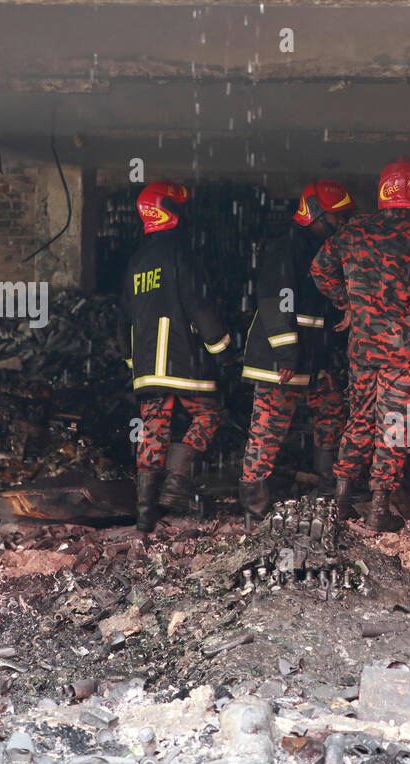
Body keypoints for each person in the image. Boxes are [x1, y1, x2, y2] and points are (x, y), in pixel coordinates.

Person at [310, 157, 410, 533]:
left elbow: (319, 269)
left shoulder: (353, 231)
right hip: (402, 352)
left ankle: (340, 500)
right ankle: (377, 510)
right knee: (394, 427)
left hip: (362, 349)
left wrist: (347, 303)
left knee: (358, 418)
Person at [238, 179, 353, 527]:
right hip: (281, 364)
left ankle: (331, 490)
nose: (341, 223)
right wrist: (287, 356)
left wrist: (323, 363)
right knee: (267, 431)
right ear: (316, 213)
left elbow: (316, 318)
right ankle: (254, 514)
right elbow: (275, 304)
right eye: (337, 216)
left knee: (332, 411)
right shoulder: (287, 248)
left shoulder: (316, 250)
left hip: (309, 365)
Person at [121, 180, 231, 532]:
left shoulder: (136, 261)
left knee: (152, 431)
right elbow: (198, 305)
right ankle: (175, 484)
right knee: (209, 415)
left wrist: (132, 362)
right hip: (182, 363)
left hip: (146, 370)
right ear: (171, 210)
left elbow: (122, 320)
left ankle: (144, 513)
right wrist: (223, 348)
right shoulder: (180, 253)